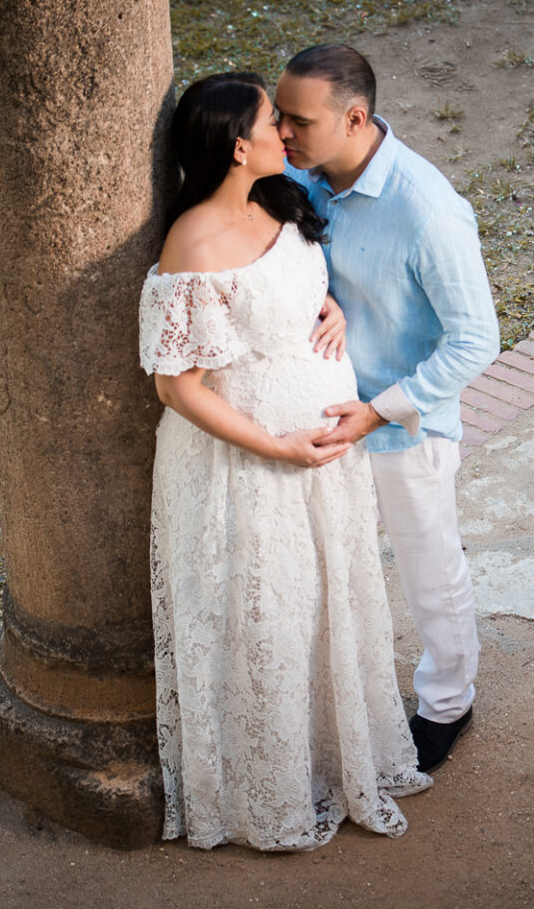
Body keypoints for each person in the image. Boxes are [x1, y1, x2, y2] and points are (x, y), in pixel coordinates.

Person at [137, 71, 429, 851]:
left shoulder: (280, 195)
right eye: (274, 122)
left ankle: (335, 757)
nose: (288, 133)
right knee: (266, 617)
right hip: (250, 467)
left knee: (320, 608)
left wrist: (323, 302)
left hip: (321, 458)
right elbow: (176, 385)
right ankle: (267, 790)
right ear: (239, 146)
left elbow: (293, 280)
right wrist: (277, 446)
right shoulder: (192, 241)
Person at [275, 44, 501, 773]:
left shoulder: (428, 211)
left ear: (355, 118)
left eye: (297, 121)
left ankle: (447, 704)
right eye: (278, 116)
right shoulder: (299, 174)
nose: (282, 133)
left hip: (405, 426)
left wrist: (380, 410)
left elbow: (476, 341)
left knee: (429, 567)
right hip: (320, 414)